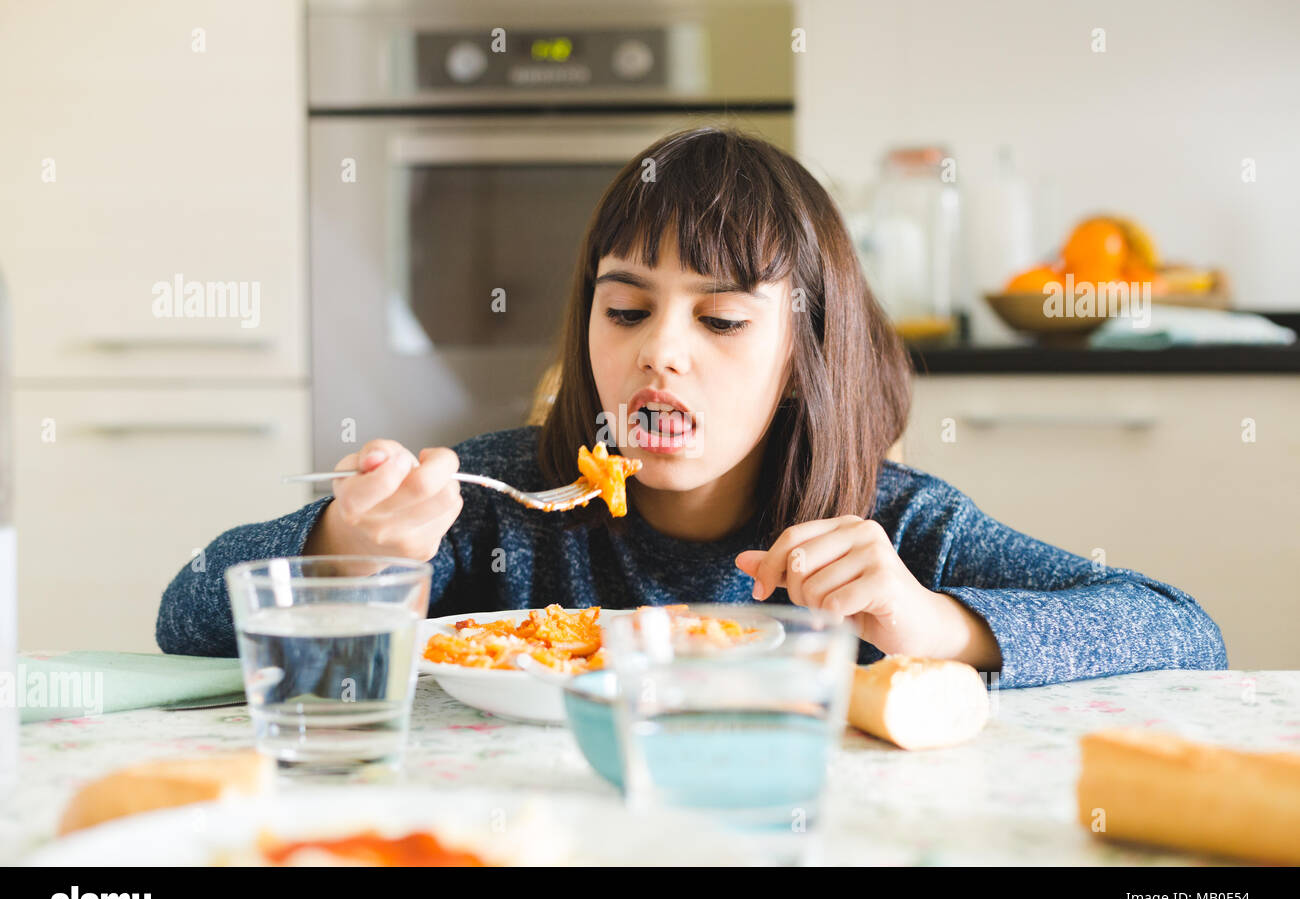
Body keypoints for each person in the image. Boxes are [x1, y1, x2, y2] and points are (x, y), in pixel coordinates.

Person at [156, 127, 1226, 688]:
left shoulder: (894, 526)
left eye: (720, 321)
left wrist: (930, 623)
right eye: (625, 309)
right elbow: (187, 613)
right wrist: (348, 549)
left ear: (804, 357)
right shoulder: (495, 509)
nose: (657, 354)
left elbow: (1185, 632)